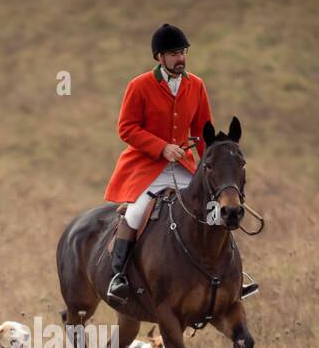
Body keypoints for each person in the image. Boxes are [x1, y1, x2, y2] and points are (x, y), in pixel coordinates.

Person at [103, 23, 258, 303]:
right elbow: (126, 128)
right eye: (174, 53)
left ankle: (235, 275)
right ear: (159, 57)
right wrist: (161, 148)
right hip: (146, 167)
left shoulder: (196, 85)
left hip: (185, 166)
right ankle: (119, 276)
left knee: (216, 209)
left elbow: (202, 132)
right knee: (135, 214)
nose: (181, 58)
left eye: (183, 52)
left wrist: (207, 167)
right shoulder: (139, 86)